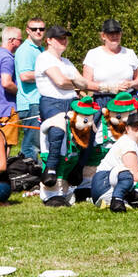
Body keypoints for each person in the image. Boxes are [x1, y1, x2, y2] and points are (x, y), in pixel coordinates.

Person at [36, 27, 100, 186]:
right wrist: (76, 83)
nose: (63, 41)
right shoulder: (44, 58)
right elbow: (60, 82)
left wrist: (76, 83)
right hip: (51, 101)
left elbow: (83, 83)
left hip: (72, 102)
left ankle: (78, 168)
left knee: (89, 130)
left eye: (65, 38)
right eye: (59, 38)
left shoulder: (67, 62)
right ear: (49, 40)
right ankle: (50, 168)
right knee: (58, 129)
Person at [38, 97, 101, 206]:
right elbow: (45, 127)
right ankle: (51, 195)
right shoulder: (59, 127)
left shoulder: (83, 131)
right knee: (56, 176)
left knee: (68, 177)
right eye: (86, 120)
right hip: (56, 161)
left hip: (70, 163)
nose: (89, 124)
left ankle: (66, 193)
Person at [91, 109, 138, 211]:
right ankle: (117, 201)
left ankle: (131, 200)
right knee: (127, 173)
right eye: (135, 125)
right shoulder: (127, 142)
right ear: (127, 128)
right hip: (103, 184)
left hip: (119, 184)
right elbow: (134, 175)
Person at [82, 19, 138, 107]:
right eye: (110, 33)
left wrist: (131, 84)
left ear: (121, 34)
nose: (114, 36)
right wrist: (110, 88)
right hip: (103, 100)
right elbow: (86, 83)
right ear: (103, 36)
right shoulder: (93, 54)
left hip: (128, 99)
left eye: (117, 33)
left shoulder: (130, 53)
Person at [14, 18, 47, 161]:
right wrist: (49, 74)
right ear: (27, 30)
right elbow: (25, 75)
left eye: (41, 29)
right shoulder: (26, 50)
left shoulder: (40, 49)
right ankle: (28, 176)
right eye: (34, 29)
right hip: (30, 103)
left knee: (39, 143)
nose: (38, 32)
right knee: (31, 145)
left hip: (37, 101)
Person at [0, 26, 21, 153]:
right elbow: (6, 83)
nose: (21, 43)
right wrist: (20, 93)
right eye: (20, 40)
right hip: (7, 108)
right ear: (12, 40)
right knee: (5, 147)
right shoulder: (8, 58)